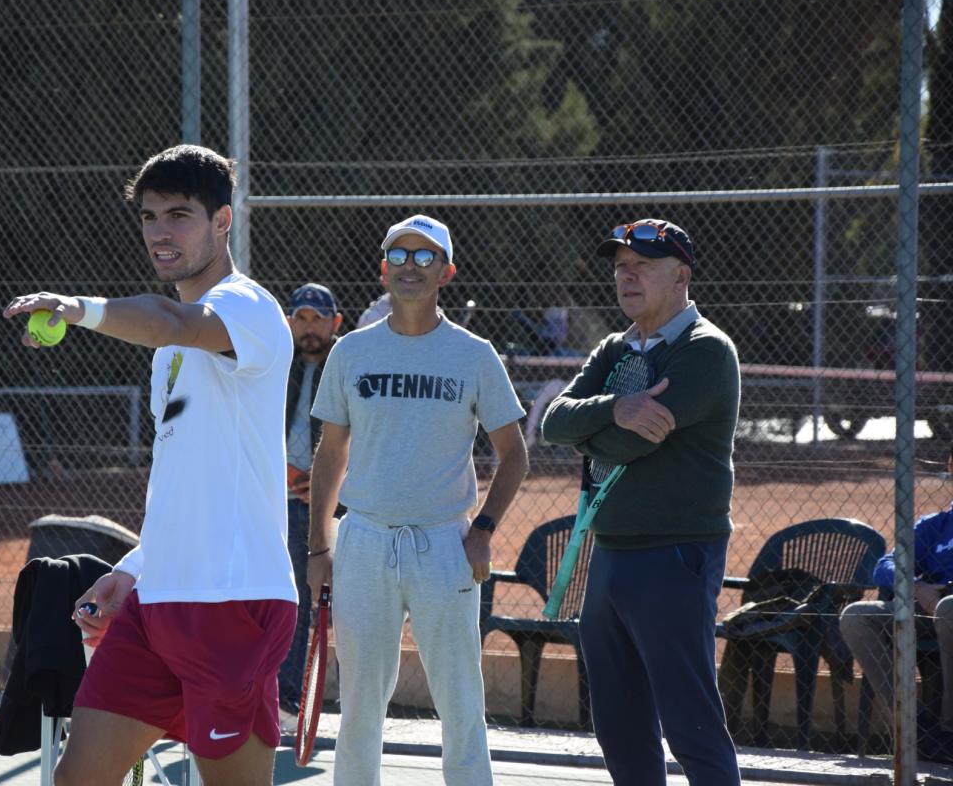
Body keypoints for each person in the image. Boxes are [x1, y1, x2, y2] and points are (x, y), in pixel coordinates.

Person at [2, 144, 296, 786]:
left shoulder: (248, 309)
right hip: (158, 601)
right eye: (150, 216)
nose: (161, 232)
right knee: (77, 777)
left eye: (180, 215)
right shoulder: (168, 355)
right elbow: (187, 484)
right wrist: (134, 569)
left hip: (234, 602)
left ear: (222, 222)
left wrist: (78, 309)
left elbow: (171, 318)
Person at [306, 214, 529, 785]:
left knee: (459, 701)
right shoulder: (350, 352)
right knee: (358, 705)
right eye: (399, 255)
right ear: (383, 268)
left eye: (425, 257)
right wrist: (318, 548)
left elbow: (515, 453)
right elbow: (330, 454)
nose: (411, 266)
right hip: (364, 540)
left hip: (444, 544)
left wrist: (483, 530)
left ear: (446, 272)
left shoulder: (474, 354)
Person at [541, 219, 742, 785]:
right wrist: (615, 408)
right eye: (619, 267)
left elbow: (632, 443)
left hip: (676, 556)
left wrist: (602, 423)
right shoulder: (614, 348)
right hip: (609, 556)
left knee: (691, 726)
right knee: (620, 727)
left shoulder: (705, 351)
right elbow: (554, 422)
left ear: (681, 276)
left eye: (642, 266)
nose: (626, 277)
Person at [840, 443, 953, 734]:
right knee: (856, 616)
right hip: (925, 608)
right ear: (951, 467)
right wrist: (917, 587)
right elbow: (885, 566)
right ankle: (914, 728)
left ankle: (950, 729)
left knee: (949, 608)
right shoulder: (935, 525)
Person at [278, 281, 342, 724]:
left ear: (336, 323)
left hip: (330, 507)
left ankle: (293, 697)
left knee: (314, 601)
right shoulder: (277, 366)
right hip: (274, 505)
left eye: (318, 318)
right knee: (279, 598)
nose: (309, 327)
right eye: (301, 317)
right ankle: (279, 696)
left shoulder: (348, 366)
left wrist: (329, 484)